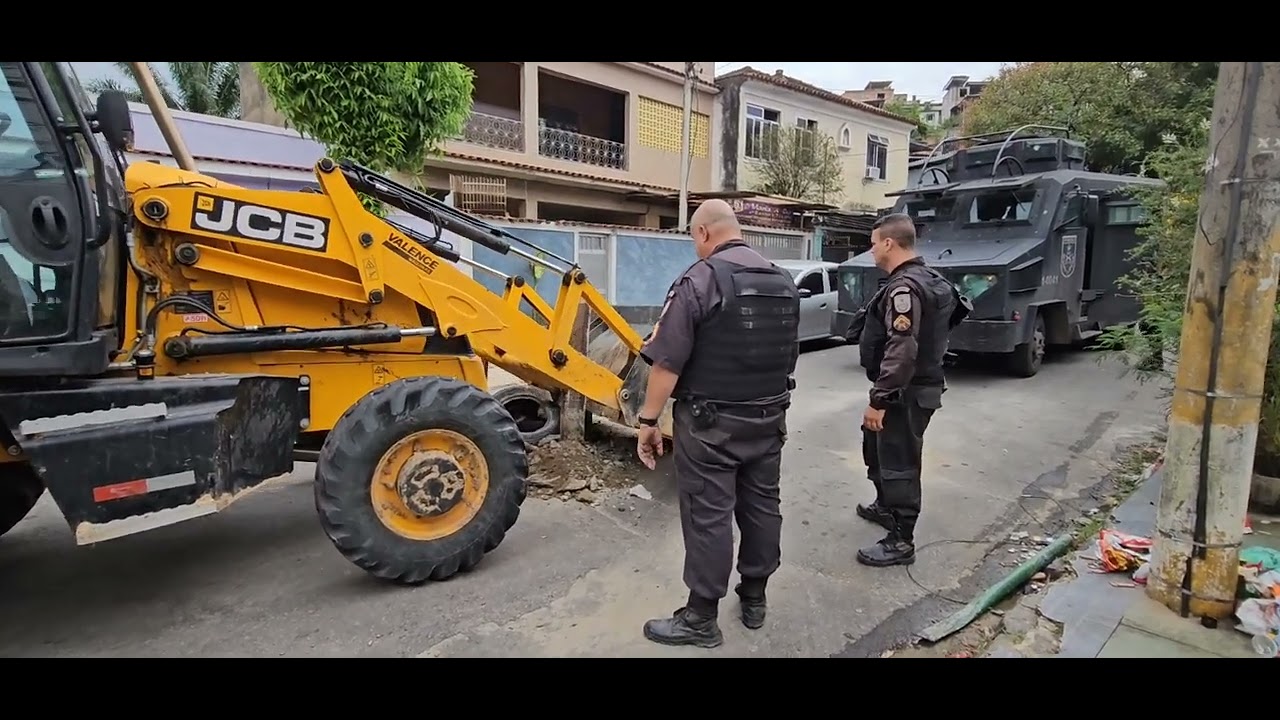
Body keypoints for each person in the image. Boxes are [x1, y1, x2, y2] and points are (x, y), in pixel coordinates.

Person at [633, 199, 800, 649]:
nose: (695, 246)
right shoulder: (783, 282)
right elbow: (788, 356)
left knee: (708, 514)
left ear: (704, 233)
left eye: (693, 238)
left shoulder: (700, 279)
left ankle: (701, 617)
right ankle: (755, 597)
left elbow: (666, 362)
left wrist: (648, 420)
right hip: (768, 419)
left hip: (712, 427)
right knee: (762, 506)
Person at [854, 213, 963, 568]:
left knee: (900, 462)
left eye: (873, 244)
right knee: (877, 449)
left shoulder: (905, 287)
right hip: (907, 388)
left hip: (906, 392)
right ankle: (885, 507)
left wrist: (880, 399)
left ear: (888, 243)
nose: (871, 252)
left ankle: (902, 540)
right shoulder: (926, 279)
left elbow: (903, 349)